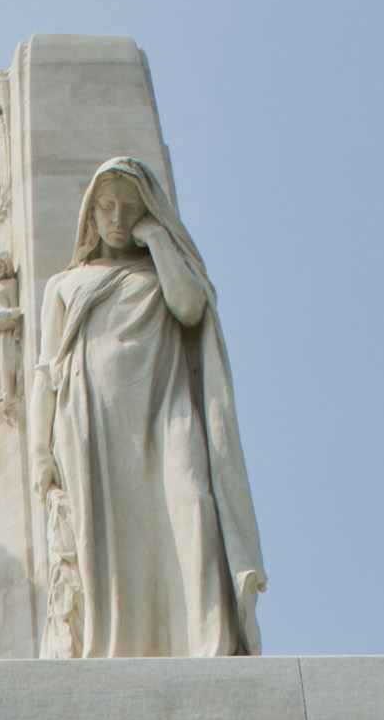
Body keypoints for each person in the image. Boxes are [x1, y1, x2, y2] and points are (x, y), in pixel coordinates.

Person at [34, 157, 266, 658]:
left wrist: (159, 239)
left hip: (165, 409)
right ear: (91, 213)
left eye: (130, 207)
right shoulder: (63, 284)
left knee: (192, 502)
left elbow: (190, 308)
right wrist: (38, 451)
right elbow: (45, 372)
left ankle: (208, 644)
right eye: (107, 206)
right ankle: (113, 648)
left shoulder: (165, 272)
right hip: (92, 423)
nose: (118, 218)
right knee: (104, 542)